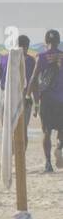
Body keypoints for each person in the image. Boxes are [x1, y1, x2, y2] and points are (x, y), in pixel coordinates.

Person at [28, 28, 63, 172]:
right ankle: (59, 147)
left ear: (46, 41)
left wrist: (28, 95)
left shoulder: (41, 56)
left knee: (46, 132)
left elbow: (34, 77)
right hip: (61, 100)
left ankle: (48, 163)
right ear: (58, 41)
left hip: (46, 100)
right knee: (62, 130)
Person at [0, 34, 33, 122]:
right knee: (23, 131)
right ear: (27, 46)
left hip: (7, 97)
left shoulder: (3, 59)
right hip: (23, 98)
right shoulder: (30, 61)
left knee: (6, 128)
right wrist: (36, 103)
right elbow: (34, 82)